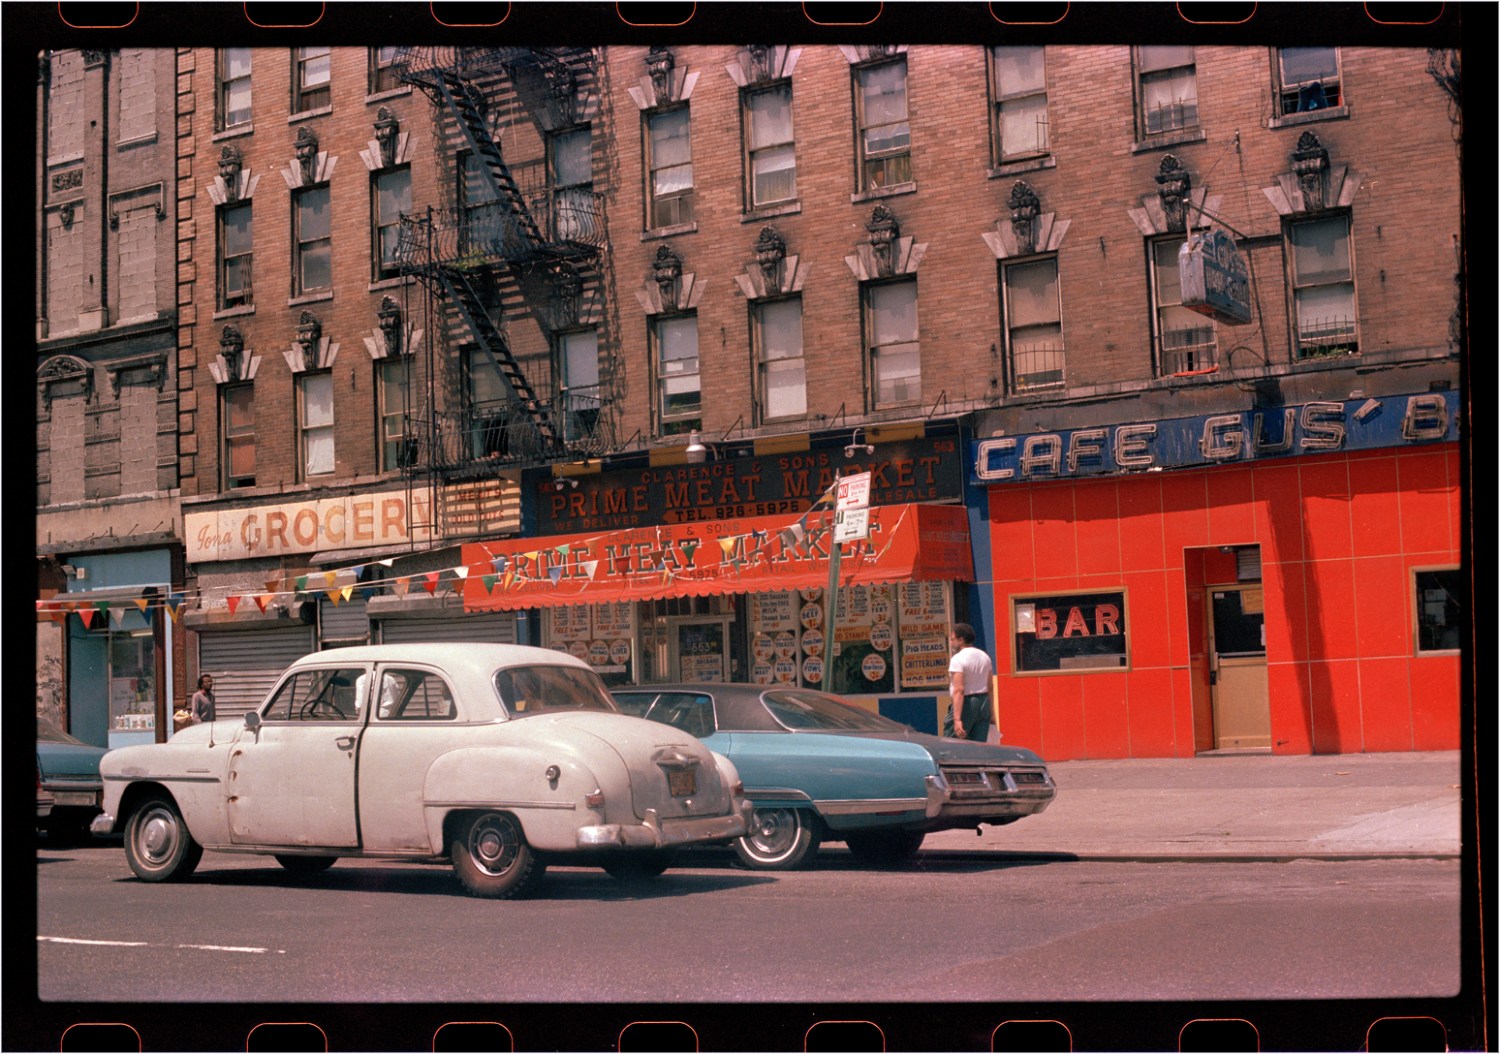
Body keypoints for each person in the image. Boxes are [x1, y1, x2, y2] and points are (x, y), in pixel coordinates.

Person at [945, 623, 994, 742]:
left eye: (952, 639)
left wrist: (957, 720)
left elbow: (959, 689)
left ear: (961, 640)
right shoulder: (984, 657)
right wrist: (992, 713)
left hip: (967, 704)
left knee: (953, 742)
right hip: (984, 703)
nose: (951, 643)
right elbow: (990, 687)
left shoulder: (958, 659)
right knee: (978, 745)